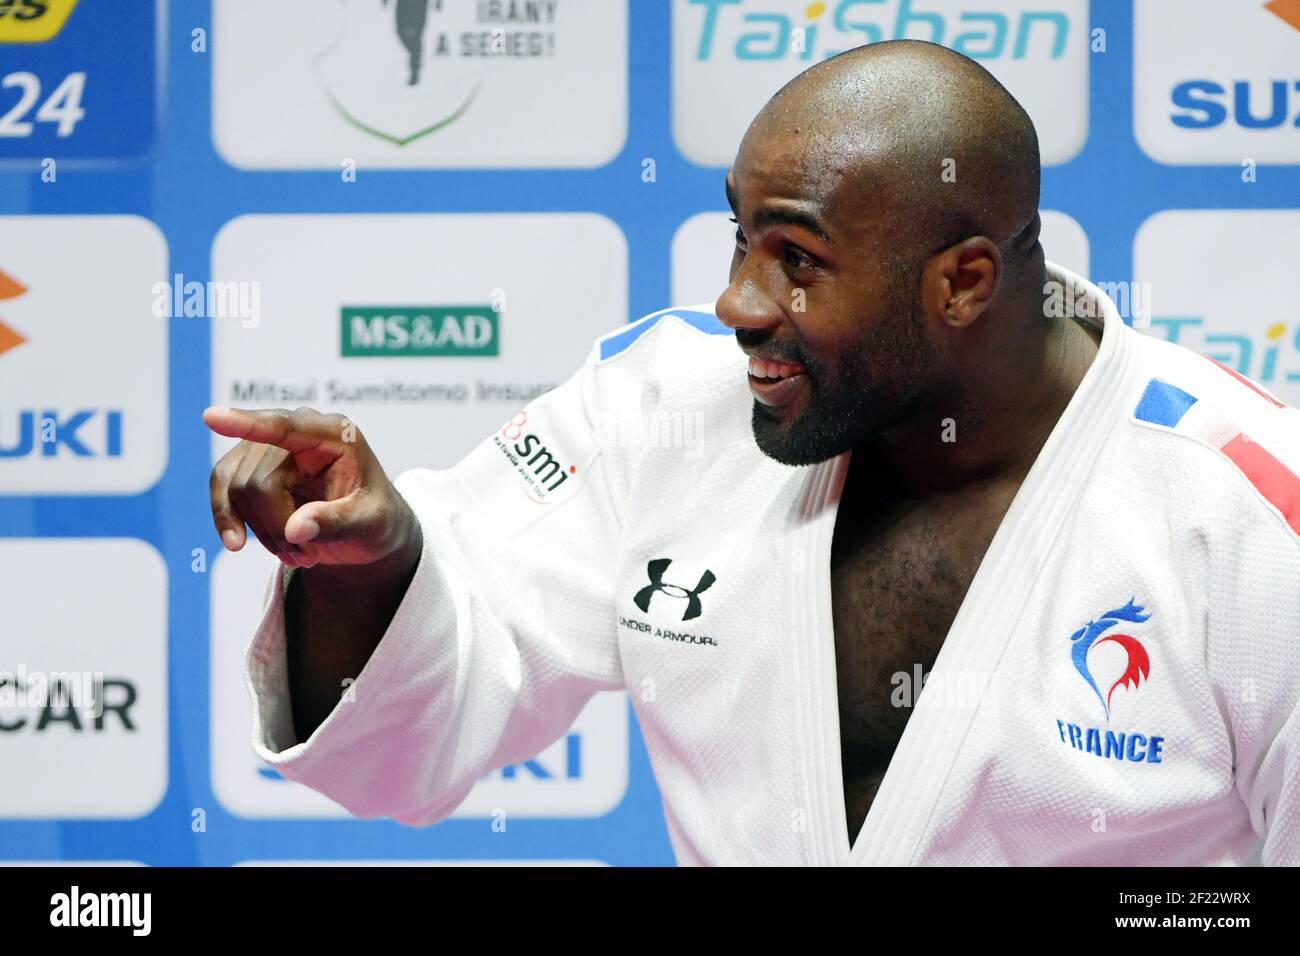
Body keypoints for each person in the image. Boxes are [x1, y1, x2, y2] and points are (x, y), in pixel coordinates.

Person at [205, 40, 1300, 865]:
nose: (736, 301)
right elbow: (411, 741)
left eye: (797, 258)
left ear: (962, 281)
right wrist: (375, 568)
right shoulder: (659, 405)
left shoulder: (1244, 517)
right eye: (740, 237)